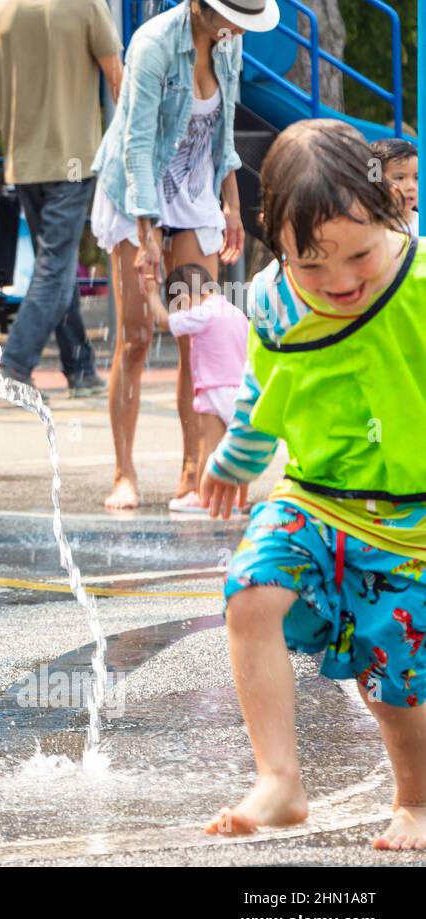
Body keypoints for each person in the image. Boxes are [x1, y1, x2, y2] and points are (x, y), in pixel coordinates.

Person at [201, 120, 426, 850]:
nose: (339, 283)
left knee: (391, 681)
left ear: (391, 209)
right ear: (278, 247)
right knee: (251, 590)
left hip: (411, 519)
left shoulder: (420, 283)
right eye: (311, 265)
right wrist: (235, 461)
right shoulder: (272, 301)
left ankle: (417, 801)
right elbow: (265, 386)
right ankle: (280, 779)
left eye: (359, 255)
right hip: (316, 495)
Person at [91, 0, 277, 511]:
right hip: (136, 191)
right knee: (135, 336)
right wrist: (147, 232)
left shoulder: (228, 41)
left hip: (193, 188)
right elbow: (136, 144)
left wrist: (233, 203)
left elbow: (225, 129)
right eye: (234, 18)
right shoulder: (152, 43)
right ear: (199, 7)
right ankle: (123, 472)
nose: (240, 29)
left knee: (200, 329)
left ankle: (194, 470)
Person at [0, 0, 122, 400]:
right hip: (72, 159)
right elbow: (117, 77)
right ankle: (13, 365)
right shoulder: (87, 5)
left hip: (24, 165)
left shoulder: (0, 11)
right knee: (55, 267)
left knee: (53, 265)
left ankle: (80, 368)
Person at [139, 262, 247, 513]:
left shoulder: (202, 312)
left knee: (208, 445)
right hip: (240, 392)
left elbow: (165, 321)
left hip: (212, 390)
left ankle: (202, 496)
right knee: (236, 448)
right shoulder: (235, 312)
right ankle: (238, 500)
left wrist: (152, 294)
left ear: (186, 298)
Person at [372, 138, 418, 236]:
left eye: (417, 178)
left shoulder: (422, 225)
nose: (411, 186)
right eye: (399, 178)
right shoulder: (369, 226)